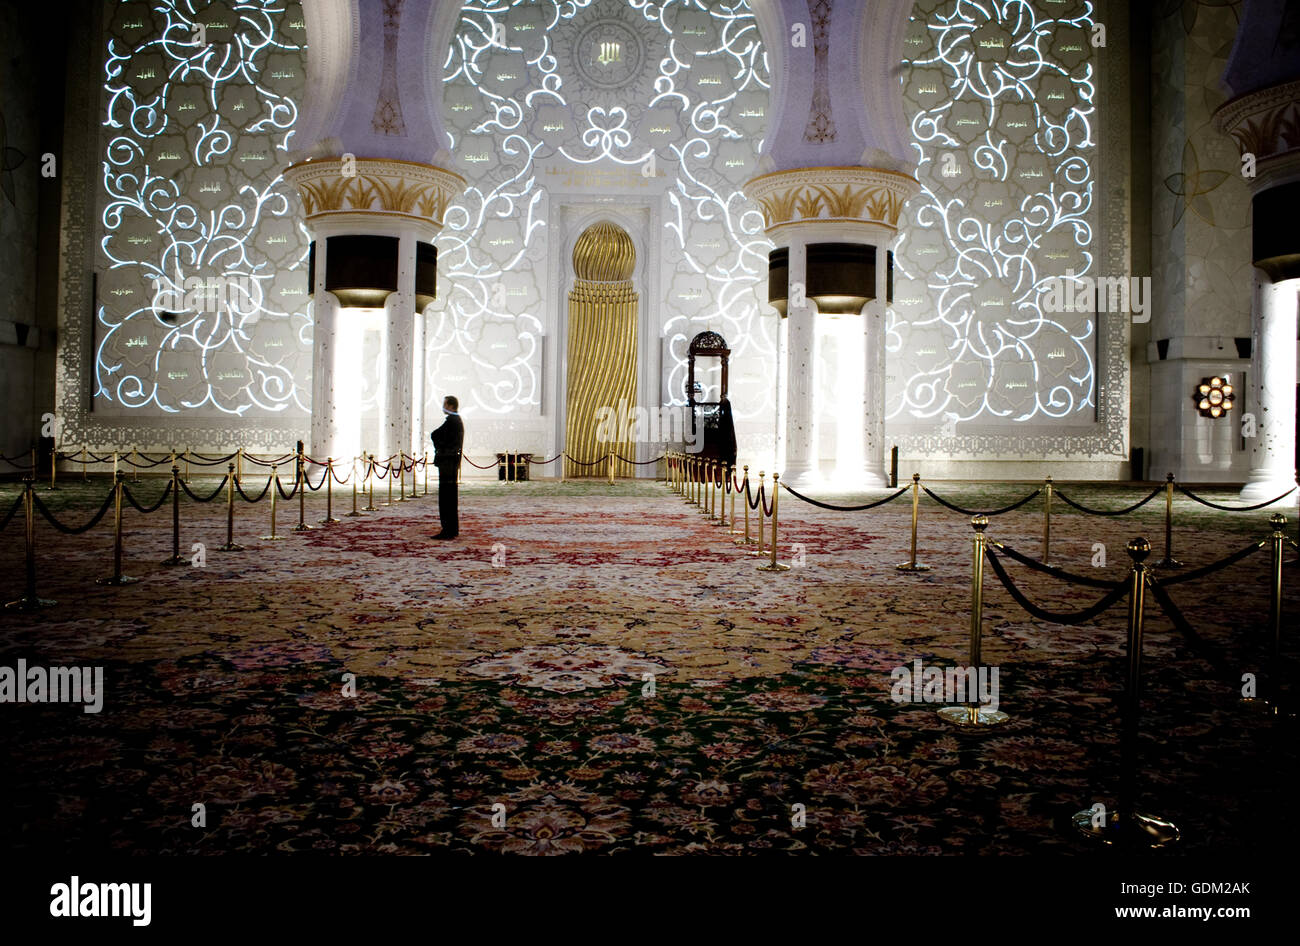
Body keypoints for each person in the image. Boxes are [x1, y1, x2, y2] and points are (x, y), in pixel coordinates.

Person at [430, 395, 464, 539]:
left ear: (451, 406)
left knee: (446, 498)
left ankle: (448, 530)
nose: (443, 407)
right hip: (451, 462)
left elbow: (435, 435)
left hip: (447, 463)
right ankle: (451, 529)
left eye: (445, 404)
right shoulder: (456, 421)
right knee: (450, 497)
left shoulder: (452, 421)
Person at [717, 396, 737, 476]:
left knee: (726, 458)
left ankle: (727, 472)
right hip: (726, 441)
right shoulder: (727, 417)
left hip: (726, 442)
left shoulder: (725, 418)